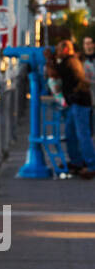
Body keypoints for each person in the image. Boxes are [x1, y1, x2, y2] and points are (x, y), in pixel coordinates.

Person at [54, 39, 95, 179]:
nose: (57, 53)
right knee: (70, 133)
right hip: (75, 102)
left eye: (59, 50)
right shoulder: (72, 61)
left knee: (83, 134)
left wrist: (49, 59)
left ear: (65, 50)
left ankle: (91, 165)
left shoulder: (69, 62)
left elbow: (54, 72)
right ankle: (76, 162)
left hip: (80, 102)